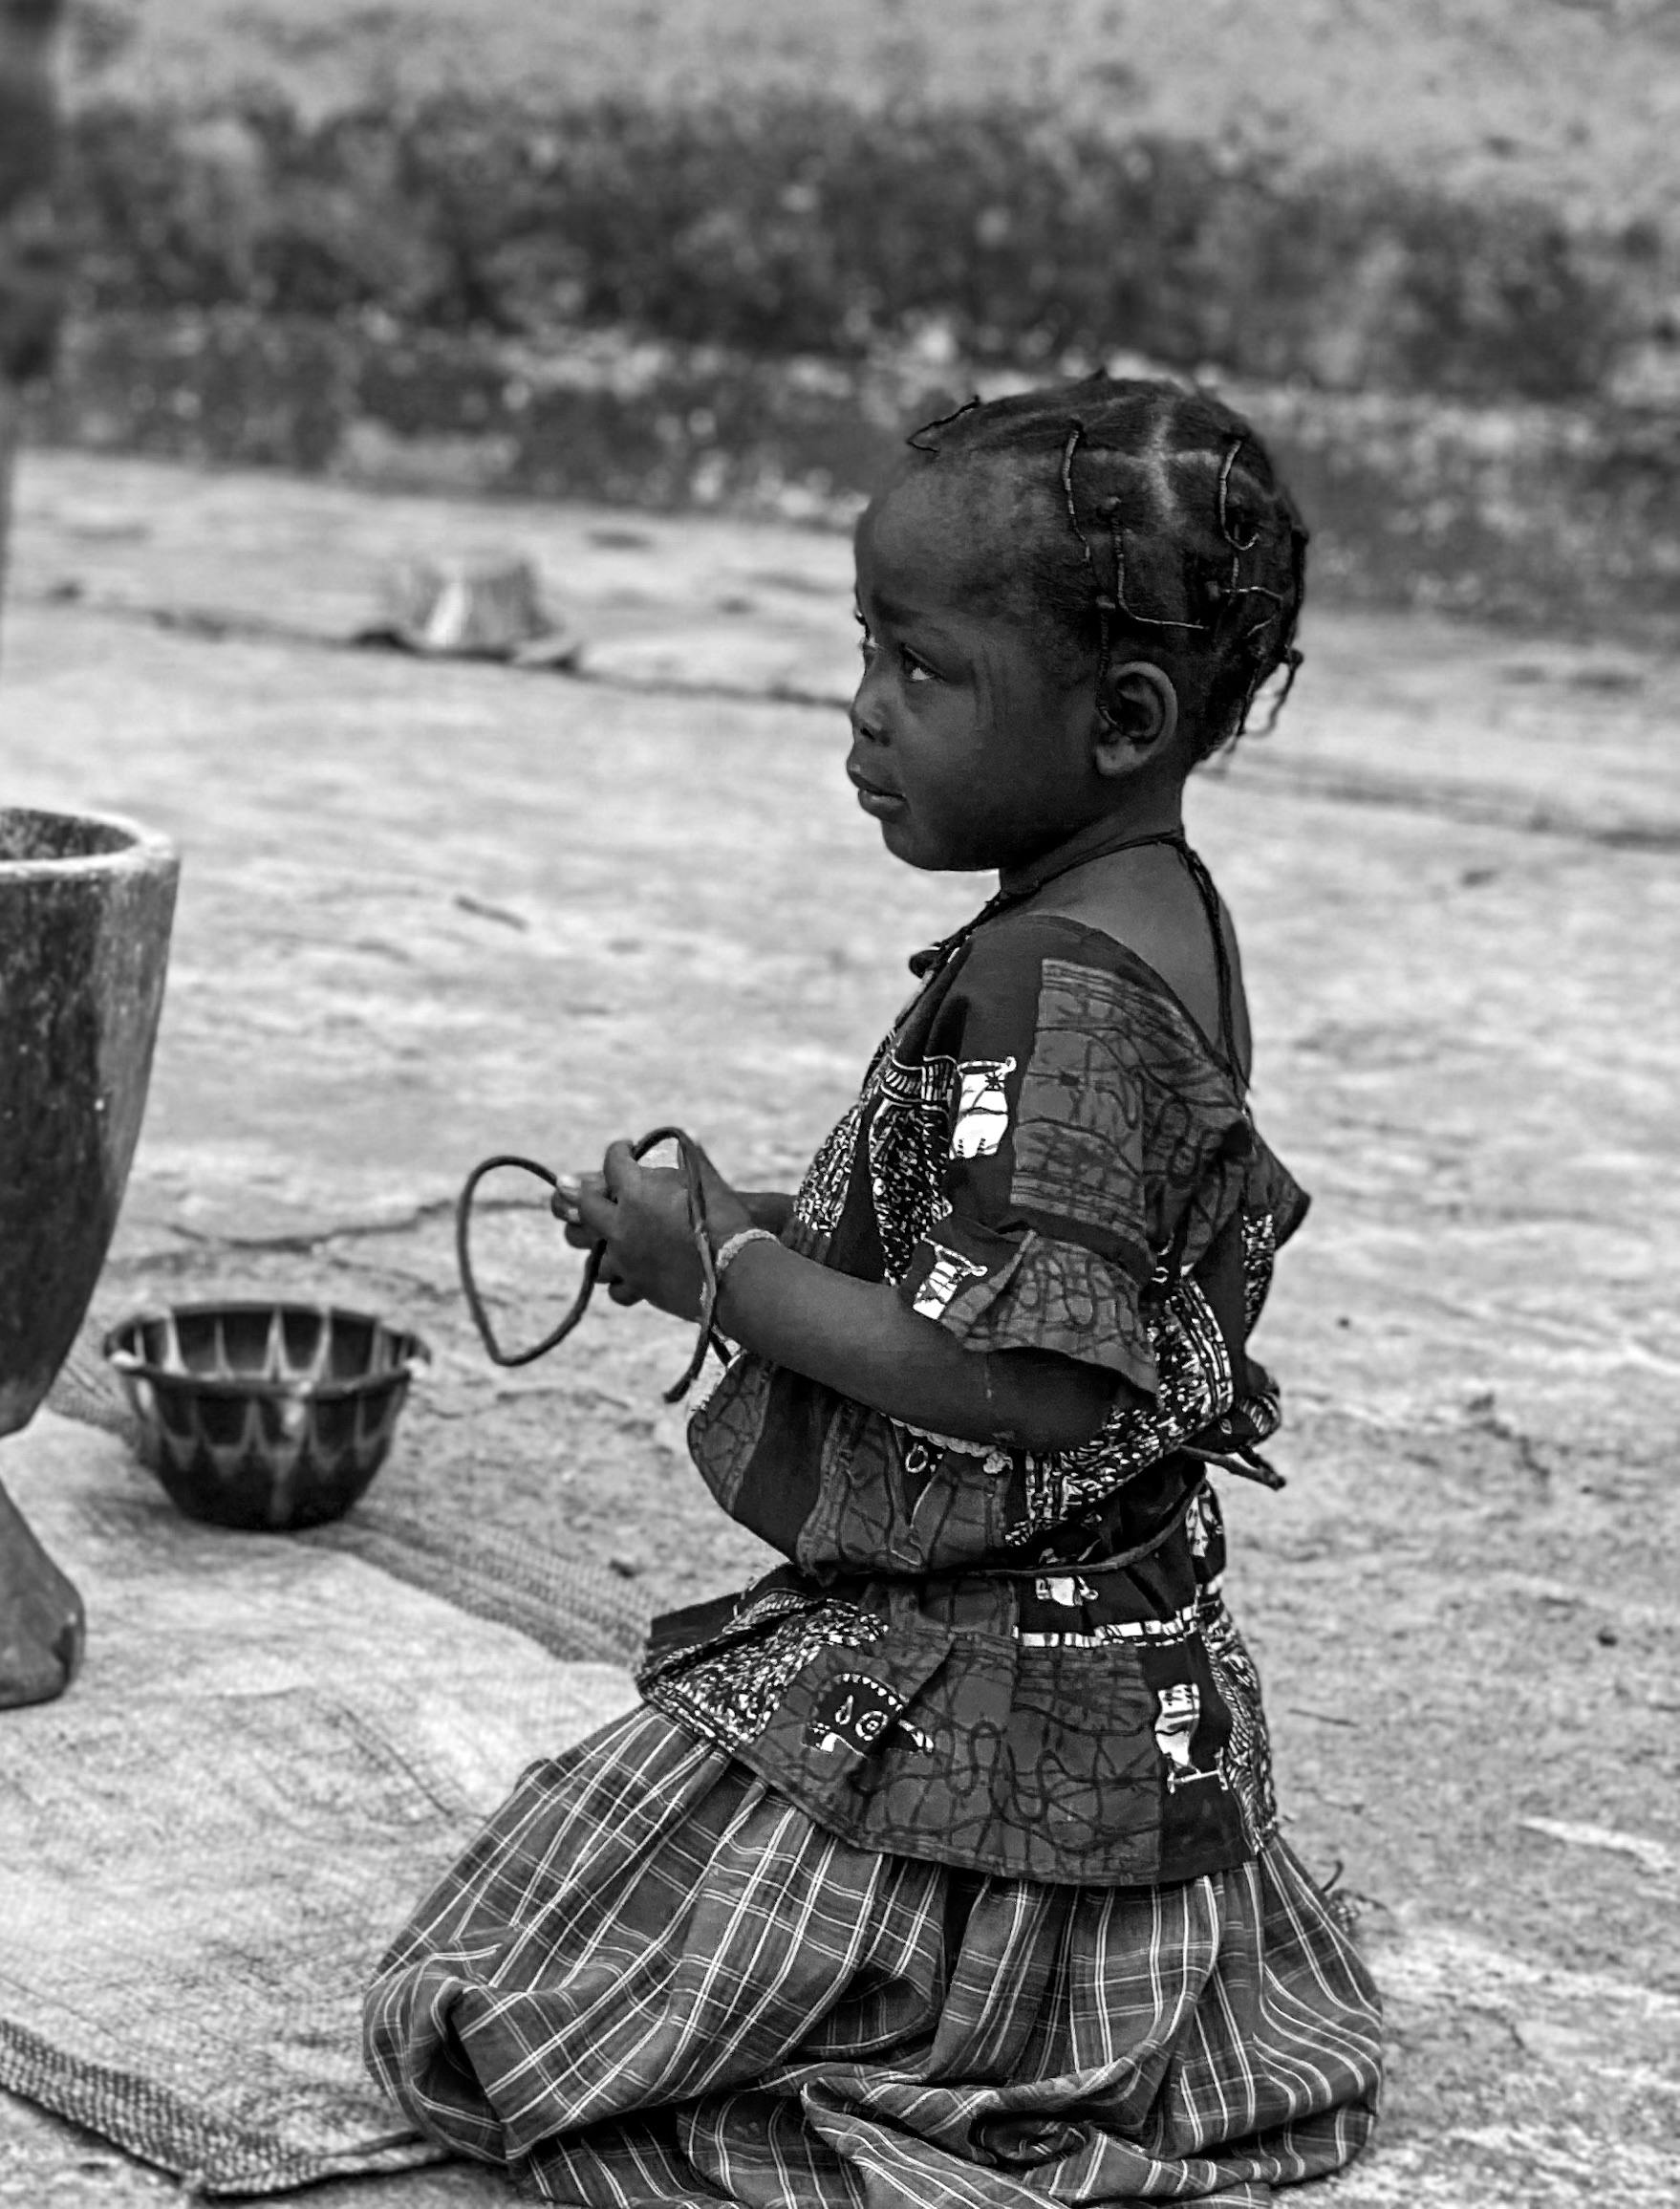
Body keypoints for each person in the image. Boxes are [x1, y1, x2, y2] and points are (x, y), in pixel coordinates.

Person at [364, 375, 1384, 2207]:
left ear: (1121, 717)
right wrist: (727, 1221)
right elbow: (1008, 1248)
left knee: (527, 1963)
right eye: (865, 648)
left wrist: (729, 1271)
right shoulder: (1154, 910)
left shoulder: (1055, 988)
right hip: (1105, 1668)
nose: (862, 712)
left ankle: (961, 2002)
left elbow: (1028, 1387)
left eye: (920, 668)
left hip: (995, 1689)